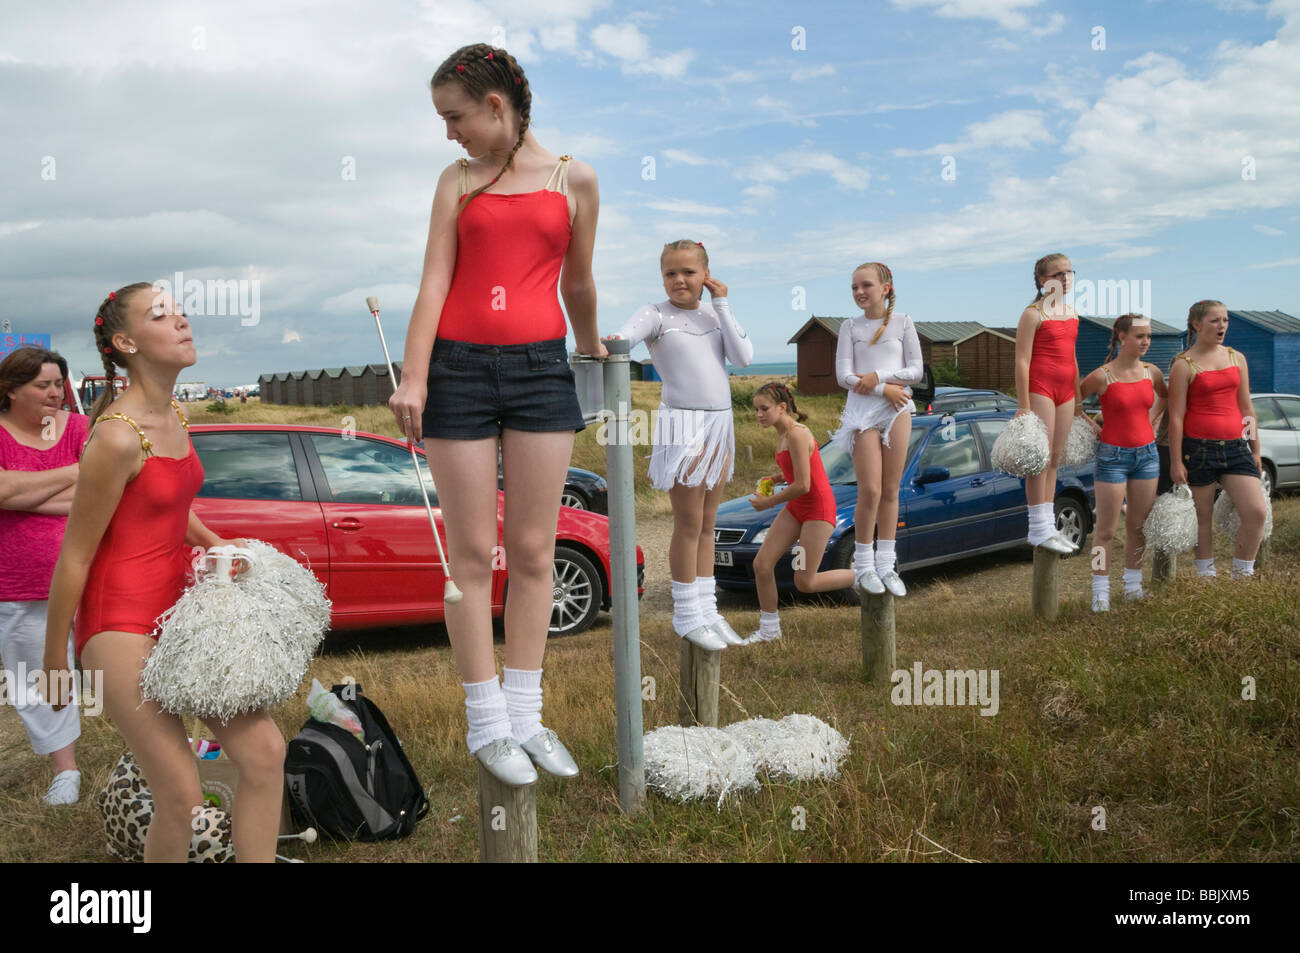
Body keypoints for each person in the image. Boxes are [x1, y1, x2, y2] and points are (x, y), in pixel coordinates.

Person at [387, 44, 605, 788]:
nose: (449, 132)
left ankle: (528, 717)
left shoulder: (575, 178)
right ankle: (487, 726)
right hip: (457, 372)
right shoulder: (455, 182)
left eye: (455, 117)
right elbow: (433, 282)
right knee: (472, 554)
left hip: (544, 371)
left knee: (536, 551)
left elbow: (578, 281)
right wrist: (413, 378)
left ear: (496, 107)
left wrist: (591, 345)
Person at [42, 284, 284, 862]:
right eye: (160, 315)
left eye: (178, 309)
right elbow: (75, 554)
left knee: (266, 754)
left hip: (183, 612)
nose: (181, 320)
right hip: (118, 623)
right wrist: (56, 663)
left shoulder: (174, 412)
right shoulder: (117, 436)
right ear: (126, 343)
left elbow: (170, 506)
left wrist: (219, 543)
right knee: (180, 795)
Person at [606, 240, 753, 652]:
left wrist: (722, 304)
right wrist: (606, 344)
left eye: (688, 272)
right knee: (688, 524)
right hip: (683, 425)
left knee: (708, 523)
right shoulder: (655, 313)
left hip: (719, 426)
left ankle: (708, 610)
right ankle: (686, 613)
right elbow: (624, 337)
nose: (679, 280)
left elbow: (743, 358)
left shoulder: (713, 313)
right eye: (670, 273)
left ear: (705, 274)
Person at [0, 347, 83, 804]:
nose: (55, 394)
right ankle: (65, 770)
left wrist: (21, 495)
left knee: (124, 667)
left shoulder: (80, 429)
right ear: (11, 390)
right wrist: (74, 473)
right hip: (21, 584)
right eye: (42, 385)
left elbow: (105, 491)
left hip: (93, 577)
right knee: (39, 678)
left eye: (58, 383)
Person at [830, 262, 919, 598]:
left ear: (886, 288)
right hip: (863, 413)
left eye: (866, 285)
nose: (859, 292)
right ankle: (864, 566)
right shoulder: (849, 327)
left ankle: (887, 564)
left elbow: (915, 371)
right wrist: (884, 388)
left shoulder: (903, 323)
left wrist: (881, 378)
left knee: (891, 490)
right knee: (870, 491)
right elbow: (845, 377)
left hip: (897, 410)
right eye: (854, 287)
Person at [1167, 300, 1267, 578]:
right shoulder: (1183, 365)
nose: (1222, 325)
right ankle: (1206, 579)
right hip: (1198, 449)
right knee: (1202, 518)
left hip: (1236, 447)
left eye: (1224, 320)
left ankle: (1242, 576)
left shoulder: (1237, 357)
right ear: (1197, 325)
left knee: (1256, 512)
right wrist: (1176, 462)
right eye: (1214, 320)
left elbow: (1246, 407)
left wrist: (1255, 450)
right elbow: (1176, 417)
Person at [747, 382, 852, 642]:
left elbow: (804, 485)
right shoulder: (782, 433)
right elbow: (800, 472)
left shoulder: (796, 434)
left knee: (805, 582)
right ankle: (769, 630)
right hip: (796, 508)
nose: (759, 414)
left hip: (817, 511)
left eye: (764, 408)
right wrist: (777, 476)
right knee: (761, 564)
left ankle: (862, 573)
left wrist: (767, 503)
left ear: (782, 407)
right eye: (756, 409)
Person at [1079, 315, 1167, 611]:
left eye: (1149, 336)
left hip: (1147, 457)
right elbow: (1073, 402)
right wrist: (1093, 428)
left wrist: (1154, 421)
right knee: (1105, 530)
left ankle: (1133, 586)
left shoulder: (1150, 372)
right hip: (1112, 459)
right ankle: (1100, 592)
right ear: (1121, 337)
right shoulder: (1103, 375)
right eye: (1140, 336)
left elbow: (1164, 398)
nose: (1146, 342)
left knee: (1138, 526)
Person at [1013, 252, 1092, 554]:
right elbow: (1022, 361)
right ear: (1042, 281)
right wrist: (1023, 404)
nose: (1064, 279)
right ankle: (1037, 527)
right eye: (1057, 274)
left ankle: (1048, 525)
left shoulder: (1071, 314)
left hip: (1065, 392)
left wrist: (1079, 401)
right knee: (1040, 460)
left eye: (1069, 273)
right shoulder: (1033, 314)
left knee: (1056, 459)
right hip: (1041, 388)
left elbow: (1072, 358)